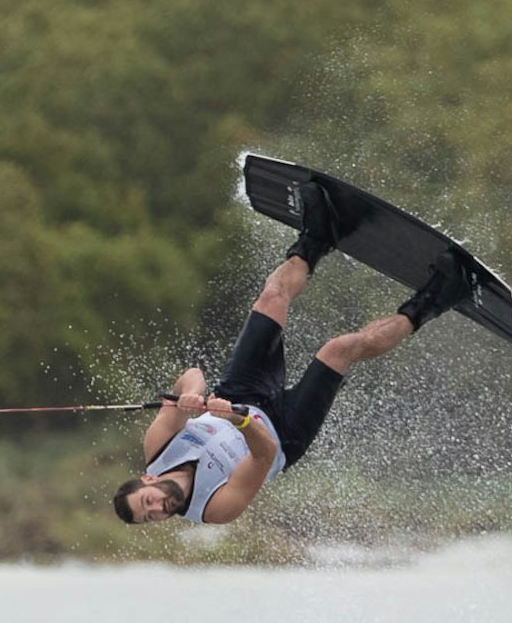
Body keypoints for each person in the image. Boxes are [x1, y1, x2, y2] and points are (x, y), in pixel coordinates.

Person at [112, 182, 471, 526]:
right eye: (152, 517)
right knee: (339, 349)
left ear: (147, 480)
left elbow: (190, 375)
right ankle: (437, 298)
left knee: (271, 297)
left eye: (149, 502)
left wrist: (191, 395)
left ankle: (316, 238)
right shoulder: (215, 509)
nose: (159, 508)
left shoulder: (159, 447)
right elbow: (263, 454)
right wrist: (238, 421)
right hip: (282, 433)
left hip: (238, 394)